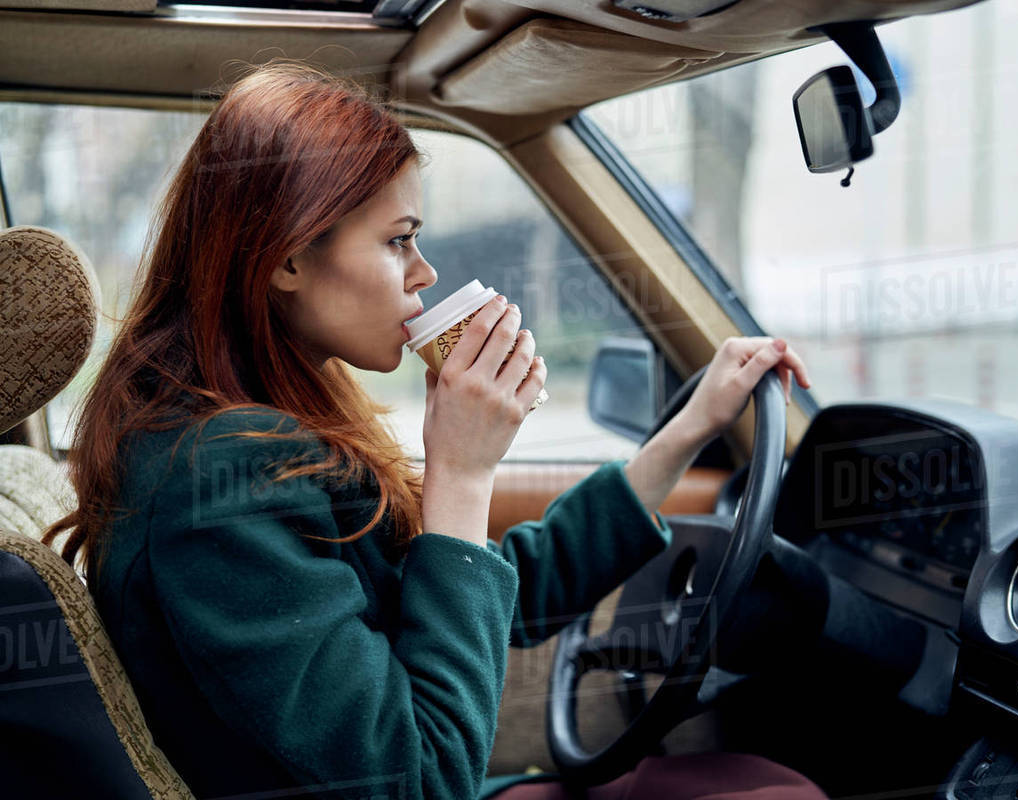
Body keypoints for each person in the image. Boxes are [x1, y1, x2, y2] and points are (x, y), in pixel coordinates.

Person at [42, 60, 825, 800]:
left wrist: (687, 430)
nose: (425, 273)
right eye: (398, 240)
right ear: (284, 259)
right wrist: (462, 472)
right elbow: (423, 778)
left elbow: (461, 603)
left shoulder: (256, 432)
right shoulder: (218, 484)